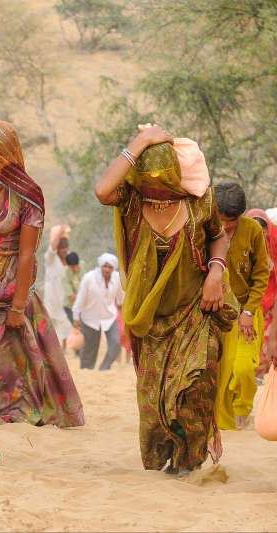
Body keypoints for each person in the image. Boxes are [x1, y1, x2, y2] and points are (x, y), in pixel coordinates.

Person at [94, 126, 237, 473]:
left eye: (162, 179)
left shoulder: (198, 200)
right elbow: (102, 190)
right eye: (147, 179)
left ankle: (188, 462)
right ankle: (167, 458)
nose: (155, 188)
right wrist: (139, 142)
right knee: (156, 399)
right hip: (152, 320)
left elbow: (218, 238)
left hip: (195, 310)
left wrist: (216, 274)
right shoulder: (131, 200)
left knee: (195, 385)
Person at [0, 120, 84, 428]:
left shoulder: (27, 195)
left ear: (10, 154)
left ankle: (15, 414)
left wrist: (18, 306)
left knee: (12, 359)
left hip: (9, 287)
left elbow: (26, 254)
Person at [213, 184, 269, 430]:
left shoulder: (253, 231)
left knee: (245, 369)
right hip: (216, 314)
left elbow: (261, 275)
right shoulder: (204, 229)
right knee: (222, 373)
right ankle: (226, 422)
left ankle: (242, 408)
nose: (225, 227)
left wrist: (248, 312)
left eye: (231, 222)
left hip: (247, 314)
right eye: (221, 221)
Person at [72, 253, 124, 370]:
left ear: (114, 268)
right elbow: (80, 299)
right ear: (100, 266)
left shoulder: (117, 278)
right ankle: (86, 371)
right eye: (105, 266)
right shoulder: (88, 278)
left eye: (110, 267)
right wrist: (76, 317)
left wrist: (123, 316)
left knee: (115, 344)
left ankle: (104, 368)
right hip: (90, 319)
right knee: (90, 349)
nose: (107, 269)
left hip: (110, 317)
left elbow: (120, 299)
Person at [246, 208, 277, 380]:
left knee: (268, 334)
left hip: (271, 294)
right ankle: (254, 371)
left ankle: (264, 370)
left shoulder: (275, 240)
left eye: (263, 234)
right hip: (252, 295)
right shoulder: (240, 237)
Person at [43, 227, 73, 346]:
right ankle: (50, 347)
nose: (64, 251)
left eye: (66, 248)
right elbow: (52, 248)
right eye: (62, 249)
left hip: (65, 298)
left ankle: (64, 348)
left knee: (66, 323)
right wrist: (60, 233)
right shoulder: (50, 259)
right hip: (51, 298)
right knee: (50, 323)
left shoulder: (70, 260)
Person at [63, 252, 81, 324]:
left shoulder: (83, 265)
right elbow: (71, 297)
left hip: (83, 305)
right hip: (70, 307)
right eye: (72, 267)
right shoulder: (64, 274)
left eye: (76, 265)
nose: (75, 268)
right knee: (77, 327)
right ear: (68, 266)